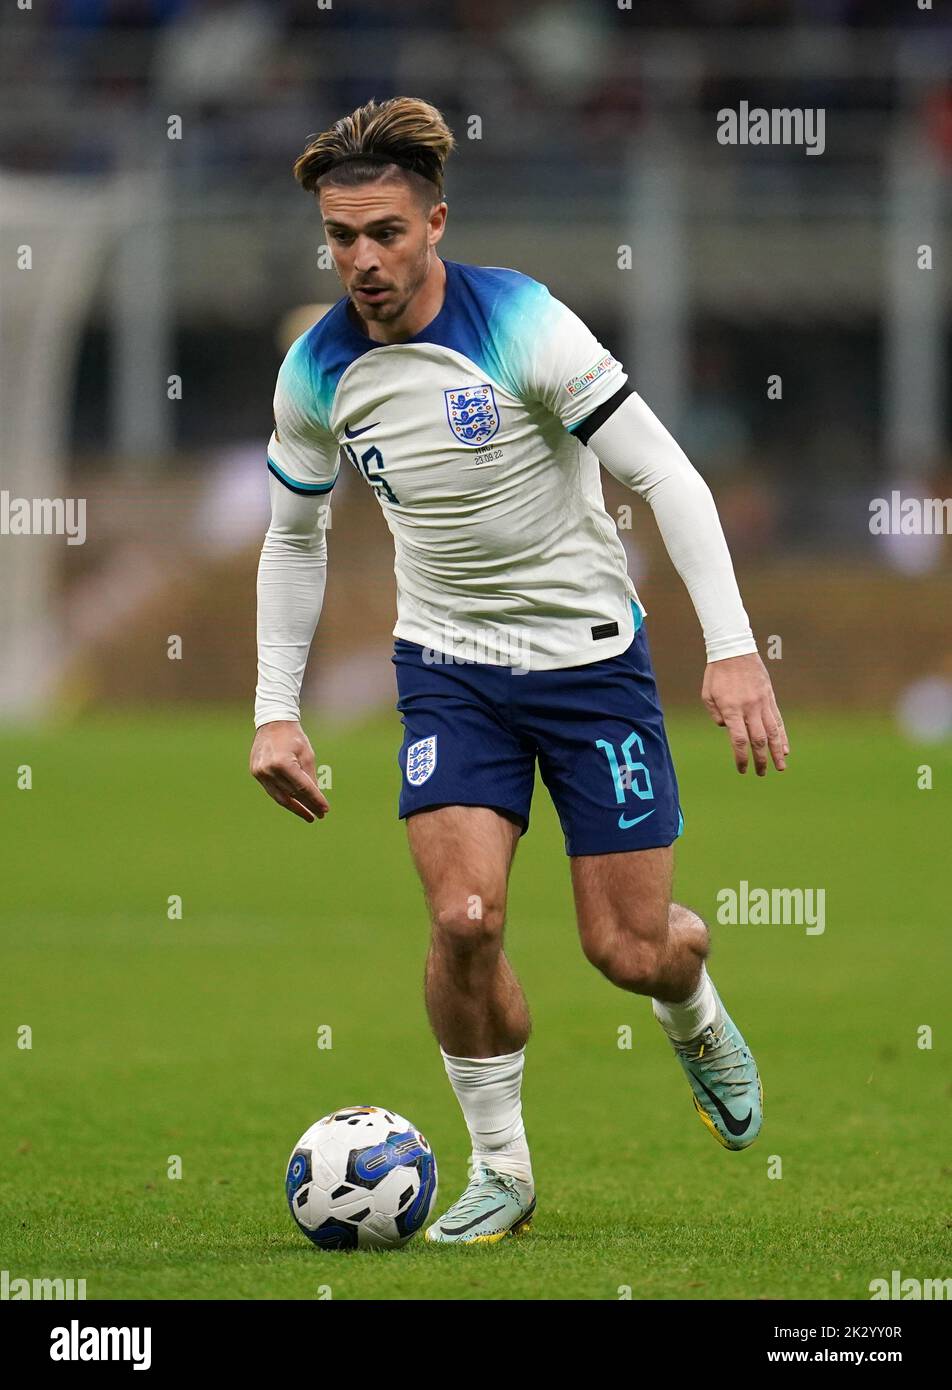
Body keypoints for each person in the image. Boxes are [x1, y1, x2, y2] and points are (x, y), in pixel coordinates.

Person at [251, 96, 788, 1245]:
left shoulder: (524, 326)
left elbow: (669, 478)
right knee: (464, 915)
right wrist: (273, 712)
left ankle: (691, 1007)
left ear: (434, 221)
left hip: (595, 666)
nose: (362, 259)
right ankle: (501, 1168)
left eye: (384, 232)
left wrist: (733, 648)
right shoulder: (317, 370)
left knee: (629, 948)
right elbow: (293, 535)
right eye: (341, 237)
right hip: (449, 667)